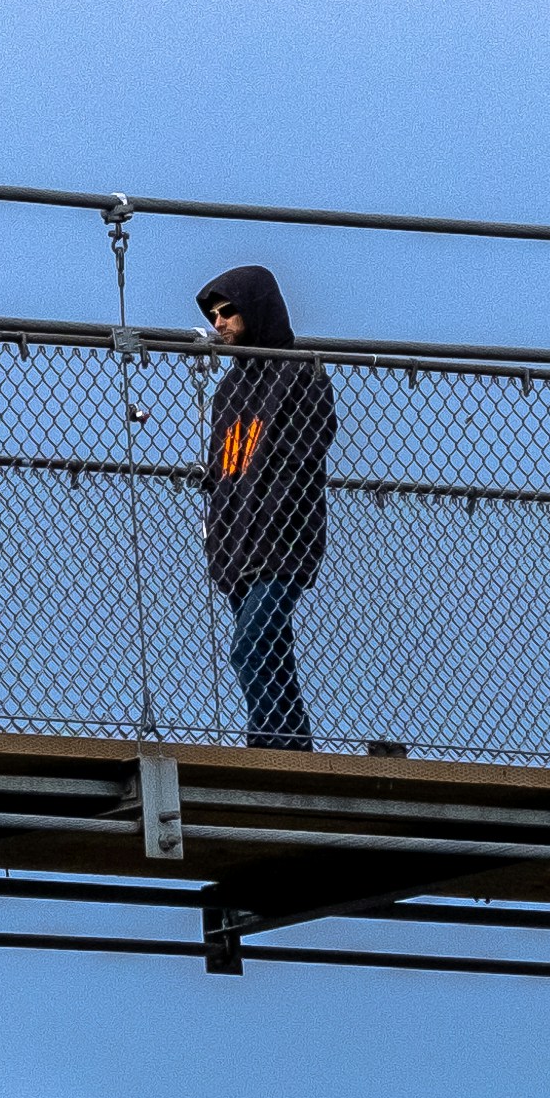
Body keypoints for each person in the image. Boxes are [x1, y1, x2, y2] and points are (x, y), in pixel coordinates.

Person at [194, 263, 336, 751]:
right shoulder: (229, 391)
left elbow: (306, 453)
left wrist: (268, 515)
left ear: (256, 309)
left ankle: (268, 752)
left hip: (284, 544)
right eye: (214, 315)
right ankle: (296, 752)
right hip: (236, 549)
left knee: (250, 650)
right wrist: (220, 535)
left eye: (228, 312)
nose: (219, 324)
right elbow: (220, 471)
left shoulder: (303, 371)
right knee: (273, 653)